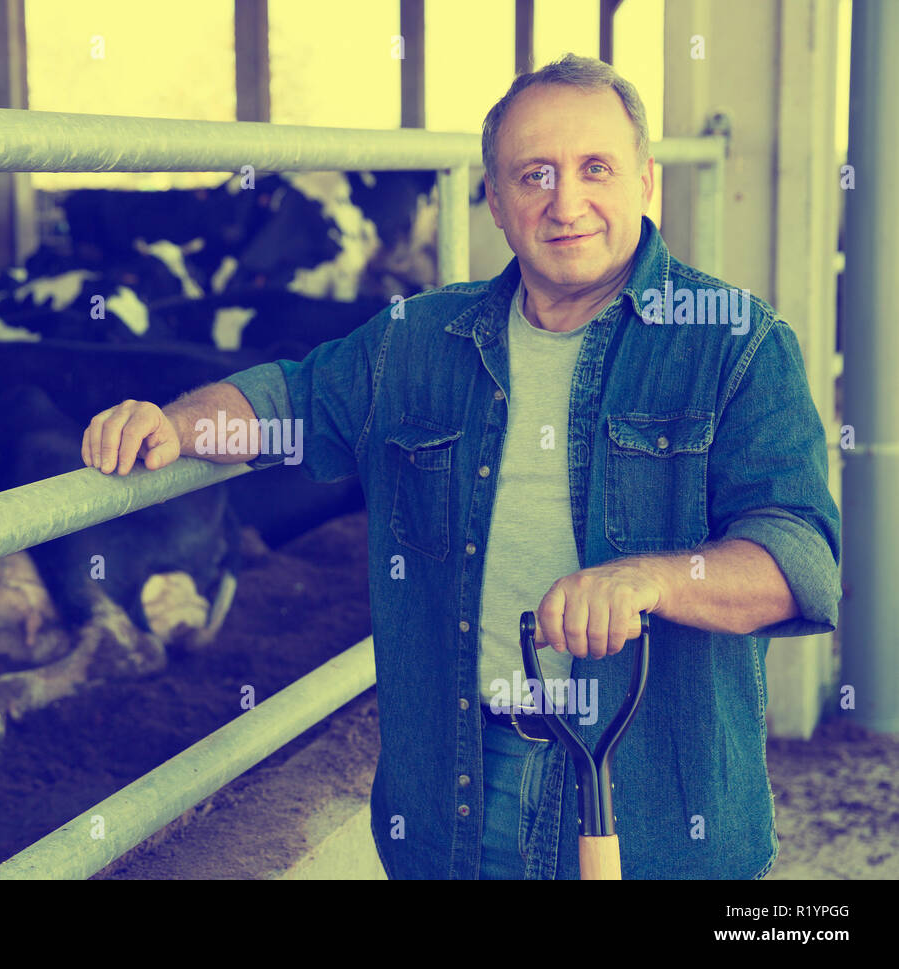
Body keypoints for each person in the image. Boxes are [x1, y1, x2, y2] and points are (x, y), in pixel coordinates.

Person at [80, 54, 841, 880]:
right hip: (453, 797)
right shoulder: (418, 339)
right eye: (534, 174)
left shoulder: (736, 343)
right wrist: (175, 423)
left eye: (596, 169)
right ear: (494, 199)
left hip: (656, 807)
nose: (567, 202)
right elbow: (287, 398)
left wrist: (649, 581)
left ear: (647, 181)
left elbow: (800, 560)